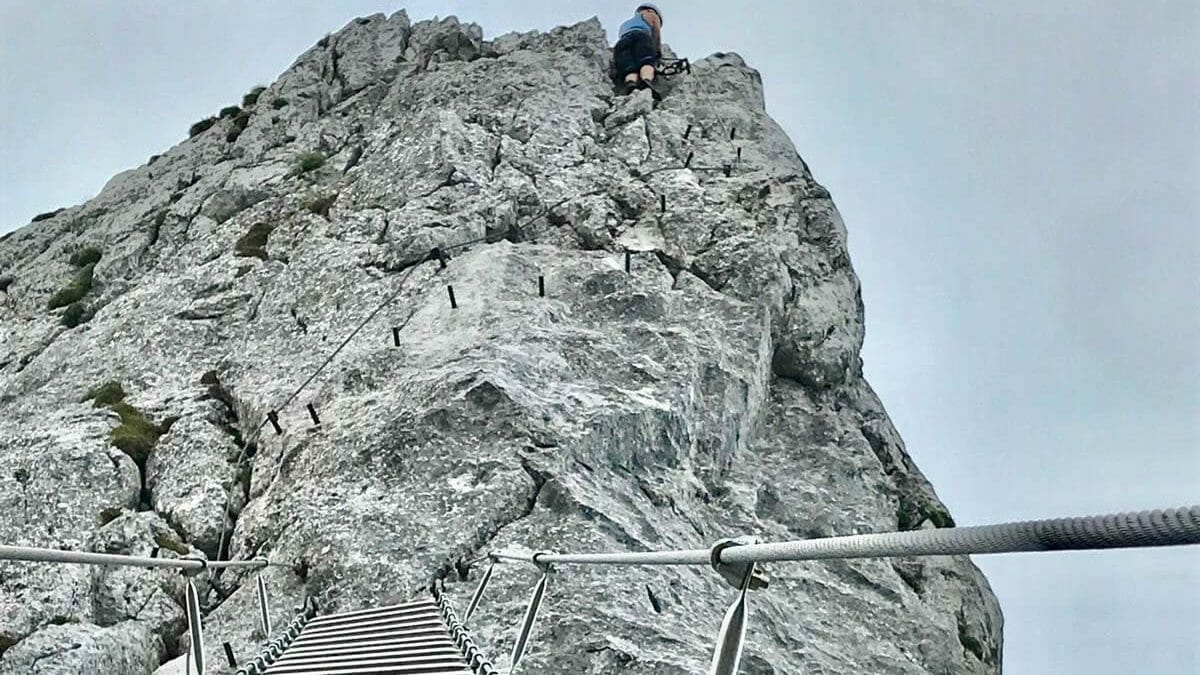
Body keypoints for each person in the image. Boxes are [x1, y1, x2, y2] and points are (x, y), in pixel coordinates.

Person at [613, 4, 664, 95]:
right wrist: (657, 52)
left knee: (628, 66)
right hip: (641, 36)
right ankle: (646, 80)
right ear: (650, 10)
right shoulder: (651, 15)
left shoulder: (624, 24)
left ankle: (631, 82)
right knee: (646, 60)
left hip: (622, 42)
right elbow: (656, 34)